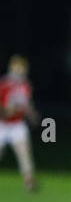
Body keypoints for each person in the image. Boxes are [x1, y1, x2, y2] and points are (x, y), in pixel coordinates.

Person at [0, 55, 40, 192]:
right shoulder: (4, 84)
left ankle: (29, 182)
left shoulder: (25, 86)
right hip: (2, 125)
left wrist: (31, 114)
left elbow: (27, 104)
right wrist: (6, 111)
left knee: (24, 154)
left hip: (17, 124)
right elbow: (4, 109)